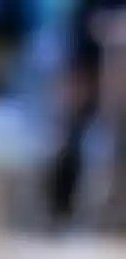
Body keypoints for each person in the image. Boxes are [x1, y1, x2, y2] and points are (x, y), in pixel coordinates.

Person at [49, 0, 126, 221]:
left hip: (111, 83)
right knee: (72, 128)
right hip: (89, 74)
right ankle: (61, 209)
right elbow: (77, 45)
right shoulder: (89, 8)